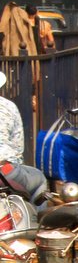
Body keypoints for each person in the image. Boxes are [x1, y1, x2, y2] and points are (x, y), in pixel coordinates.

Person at [0, 70, 48, 203]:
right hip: (5, 169)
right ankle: (35, 222)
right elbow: (17, 148)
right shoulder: (9, 106)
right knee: (40, 180)